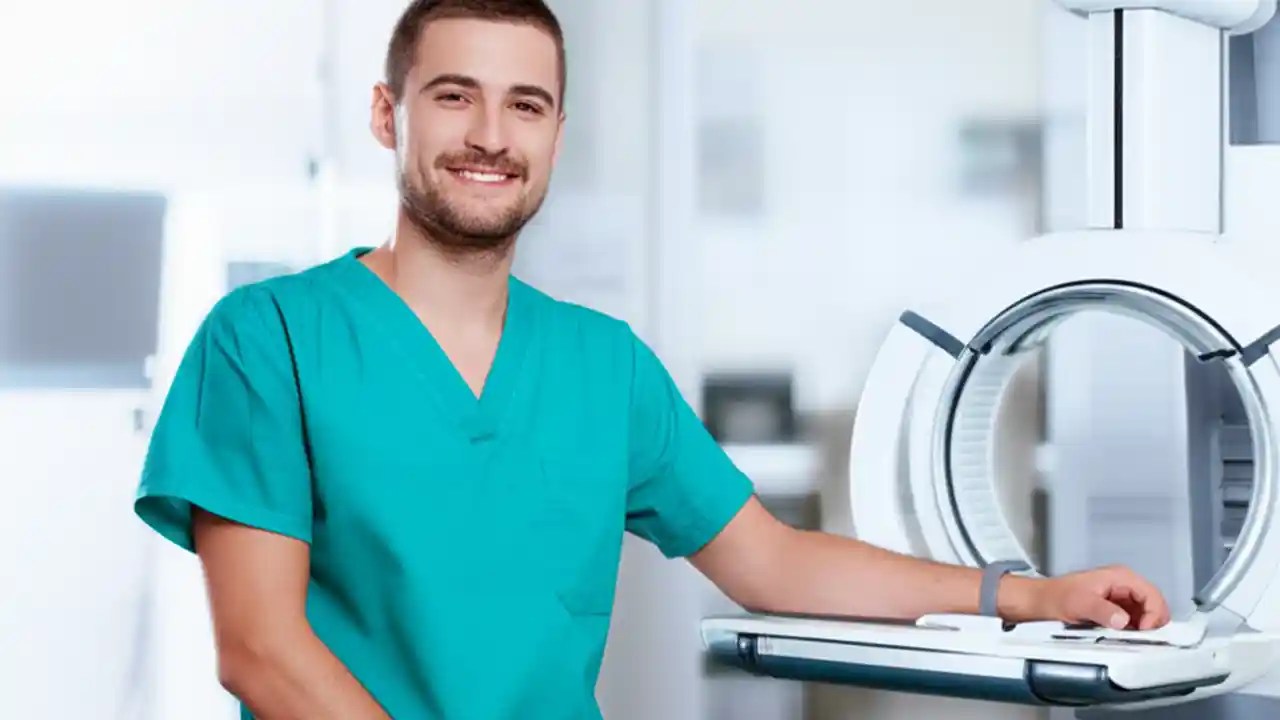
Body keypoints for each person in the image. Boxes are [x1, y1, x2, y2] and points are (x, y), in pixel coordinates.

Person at [133, 1, 1173, 718]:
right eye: (453, 96)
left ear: (555, 133)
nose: (489, 134)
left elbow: (772, 561)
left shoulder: (602, 366)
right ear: (385, 114)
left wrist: (1026, 596)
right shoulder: (269, 338)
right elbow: (261, 650)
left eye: (525, 105)